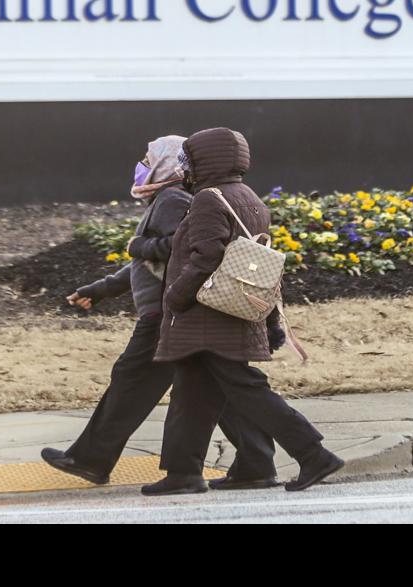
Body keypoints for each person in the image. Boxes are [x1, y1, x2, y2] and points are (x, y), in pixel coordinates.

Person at [40, 135, 281, 489]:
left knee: (131, 382)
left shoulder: (171, 199)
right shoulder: (173, 198)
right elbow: (154, 264)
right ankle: (257, 464)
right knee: (219, 388)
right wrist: (102, 289)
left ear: (166, 163)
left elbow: (179, 252)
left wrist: (138, 245)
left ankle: (92, 459)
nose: (141, 164)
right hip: (172, 310)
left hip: (166, 314)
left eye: (147, 157)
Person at [142, 127, 344, 497]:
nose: (185, 166)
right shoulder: (249, 197)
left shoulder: (208, 199)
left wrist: (175, 296)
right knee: (192, 393)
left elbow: (207, 256)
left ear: (206, 161)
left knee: (248, 392)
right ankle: (186, 472)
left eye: (190, 159)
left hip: (207, 316)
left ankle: (314, 454)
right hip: (232, 313)